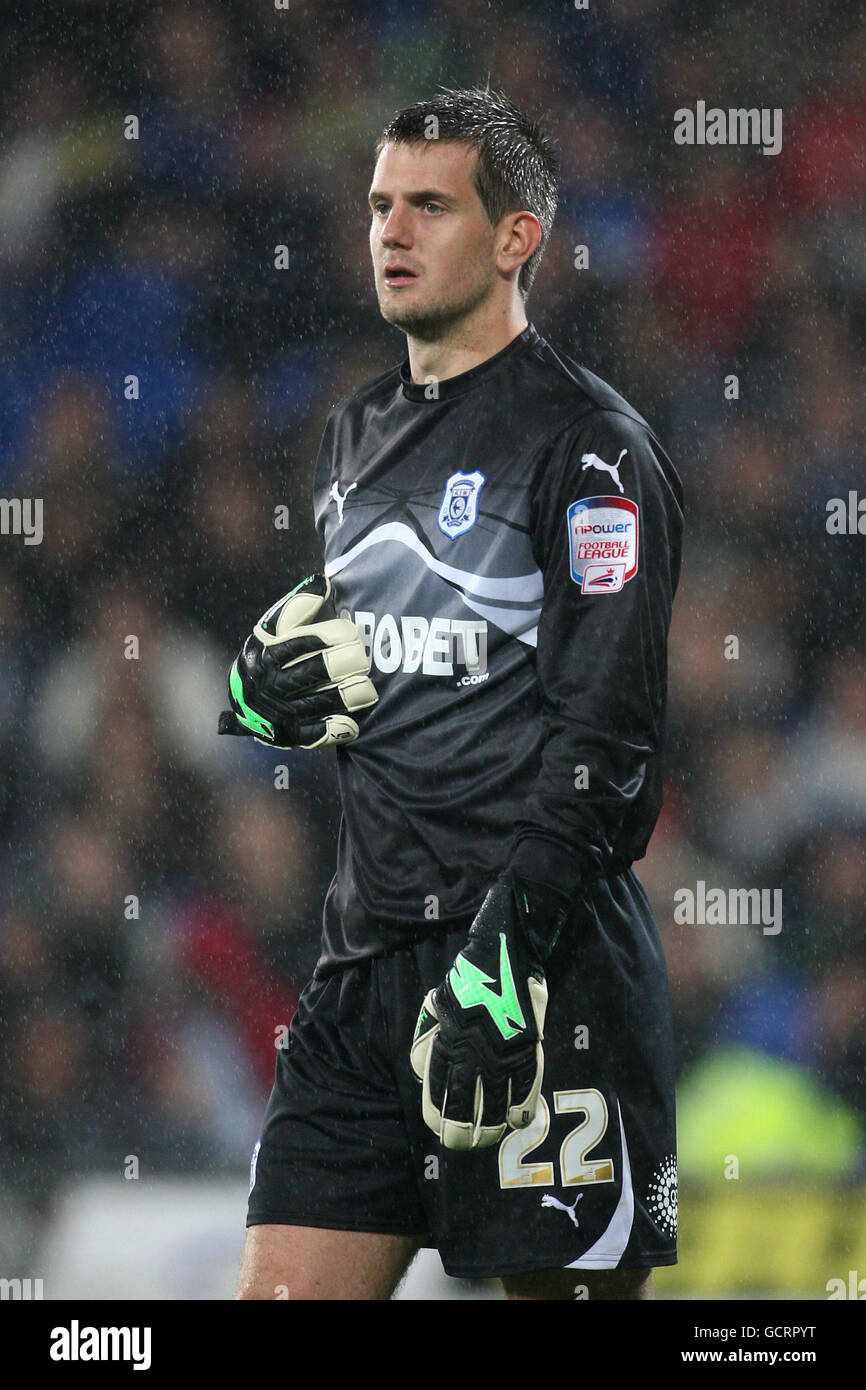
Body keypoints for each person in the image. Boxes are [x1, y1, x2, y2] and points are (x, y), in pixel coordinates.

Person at [223, 85, 684, 1301]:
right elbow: (362, 669)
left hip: (540, 968)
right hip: (361, 969)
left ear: (515, 237)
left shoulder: (589, 445)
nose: (392, 230)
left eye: (430, 205)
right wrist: (263, 693)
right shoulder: (352, 434)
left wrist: (505, 953)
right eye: (380, 204)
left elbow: (611, 744)